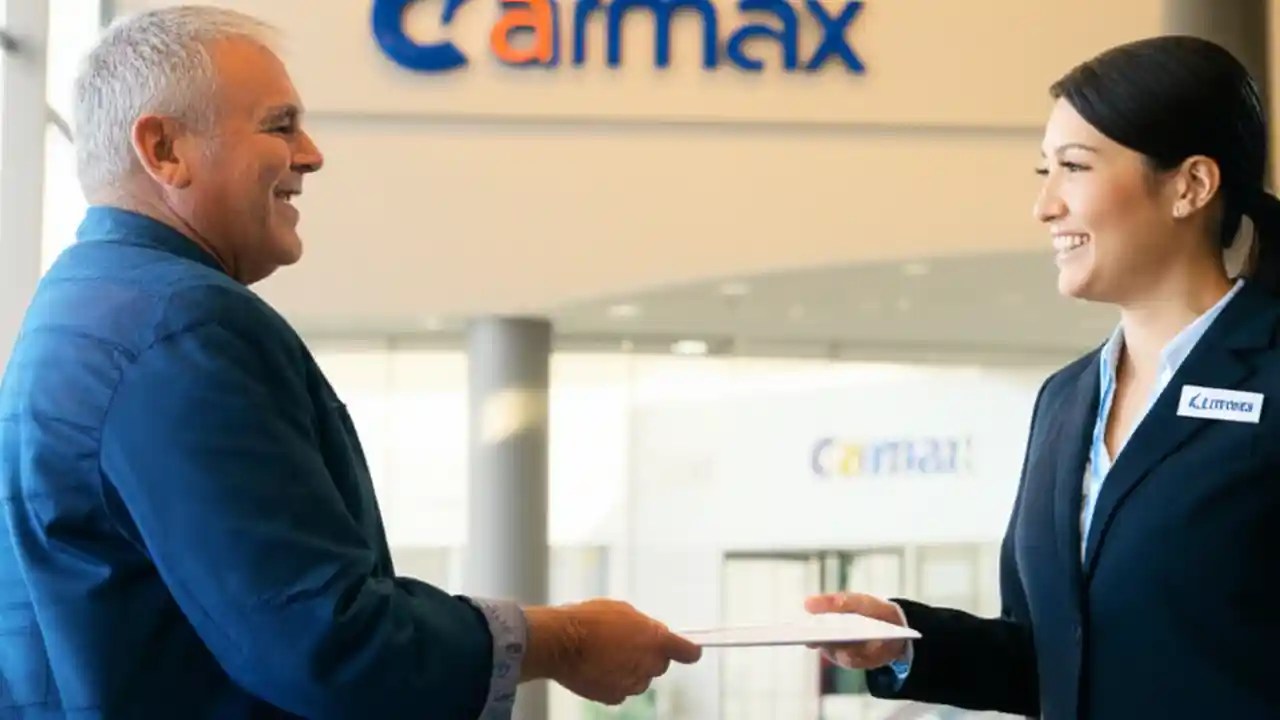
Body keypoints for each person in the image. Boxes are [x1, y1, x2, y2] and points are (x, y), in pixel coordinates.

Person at [0, 6, 700, 718]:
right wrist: (565, 640)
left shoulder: (76, 308)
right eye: (280, 125)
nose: (311, 153)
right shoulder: (182, 326)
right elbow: (323, 640)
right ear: (164, 147)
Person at [806, 35, 1280, 720]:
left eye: (1075, 168)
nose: (1046, 205)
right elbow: (1052, 656)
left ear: (1190, 186)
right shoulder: (1067, 400)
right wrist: (904, 640)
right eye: (1044, 172)